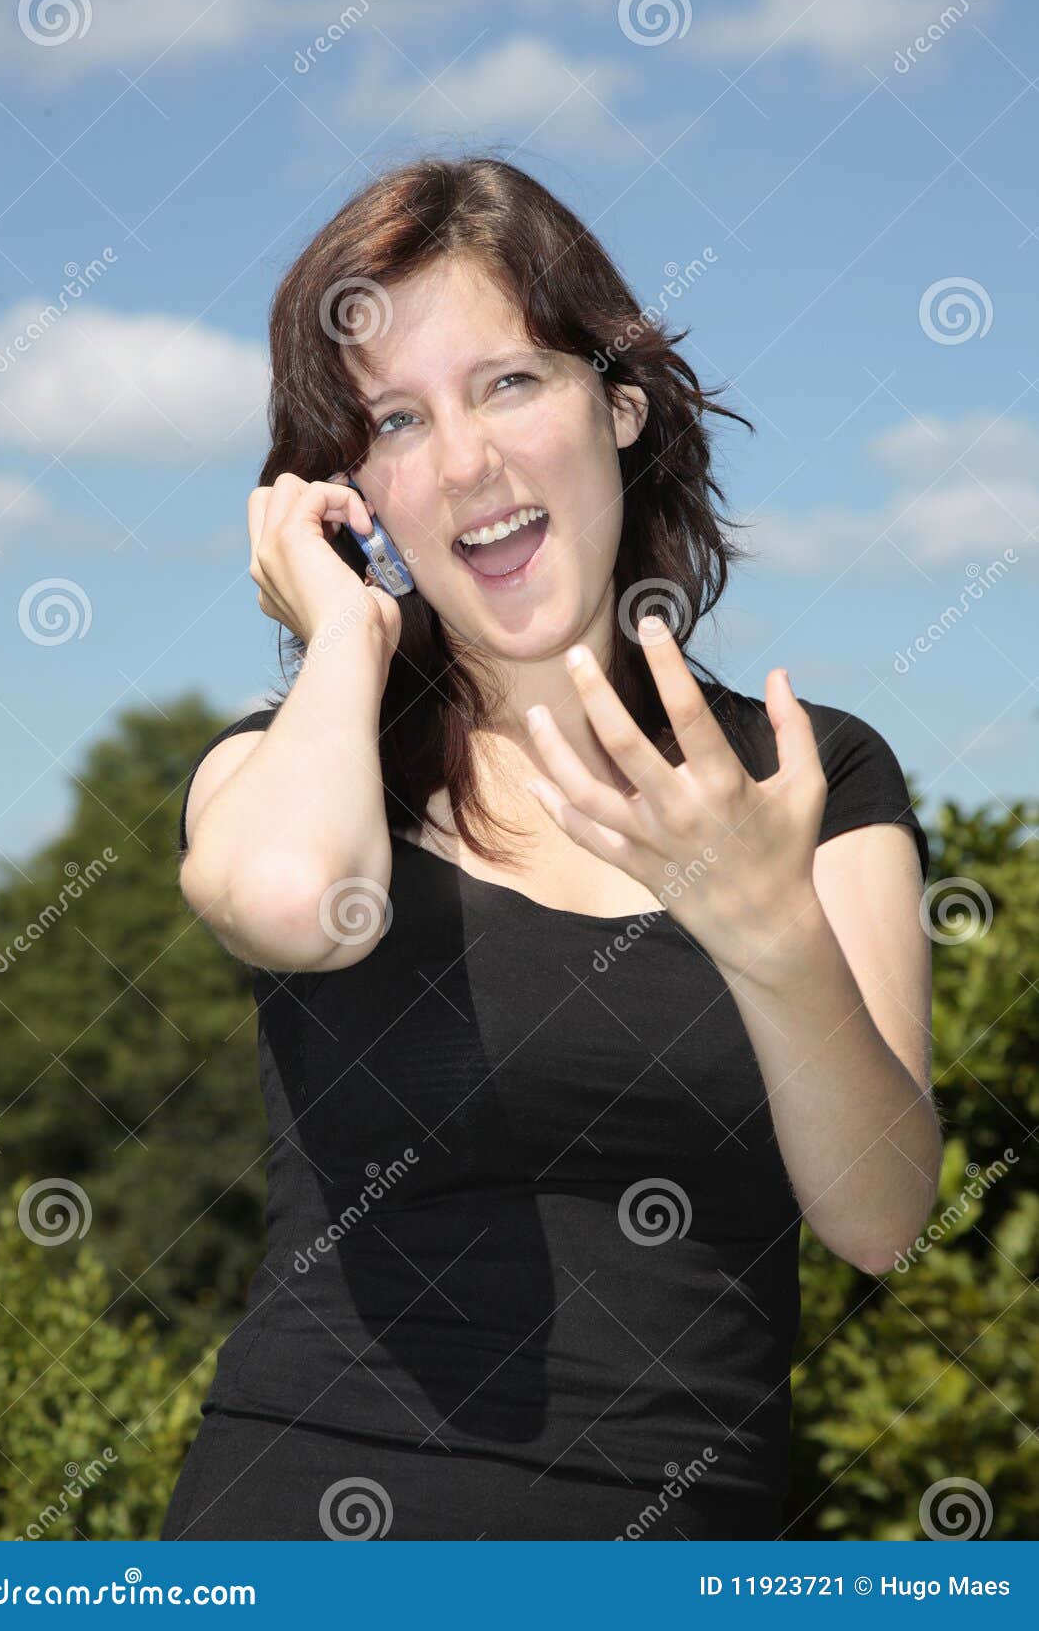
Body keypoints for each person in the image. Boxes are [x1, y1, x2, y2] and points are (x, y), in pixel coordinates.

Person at [160, 155, 940, 1541]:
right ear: (347, 497)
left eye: (510, 382)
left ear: (619, 407)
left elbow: (881, 1215)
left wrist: (770, 931)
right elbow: (296, 902)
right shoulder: (287, 769)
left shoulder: (812, 772)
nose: (466, 461)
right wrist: (348, 634)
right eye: (394, 421)